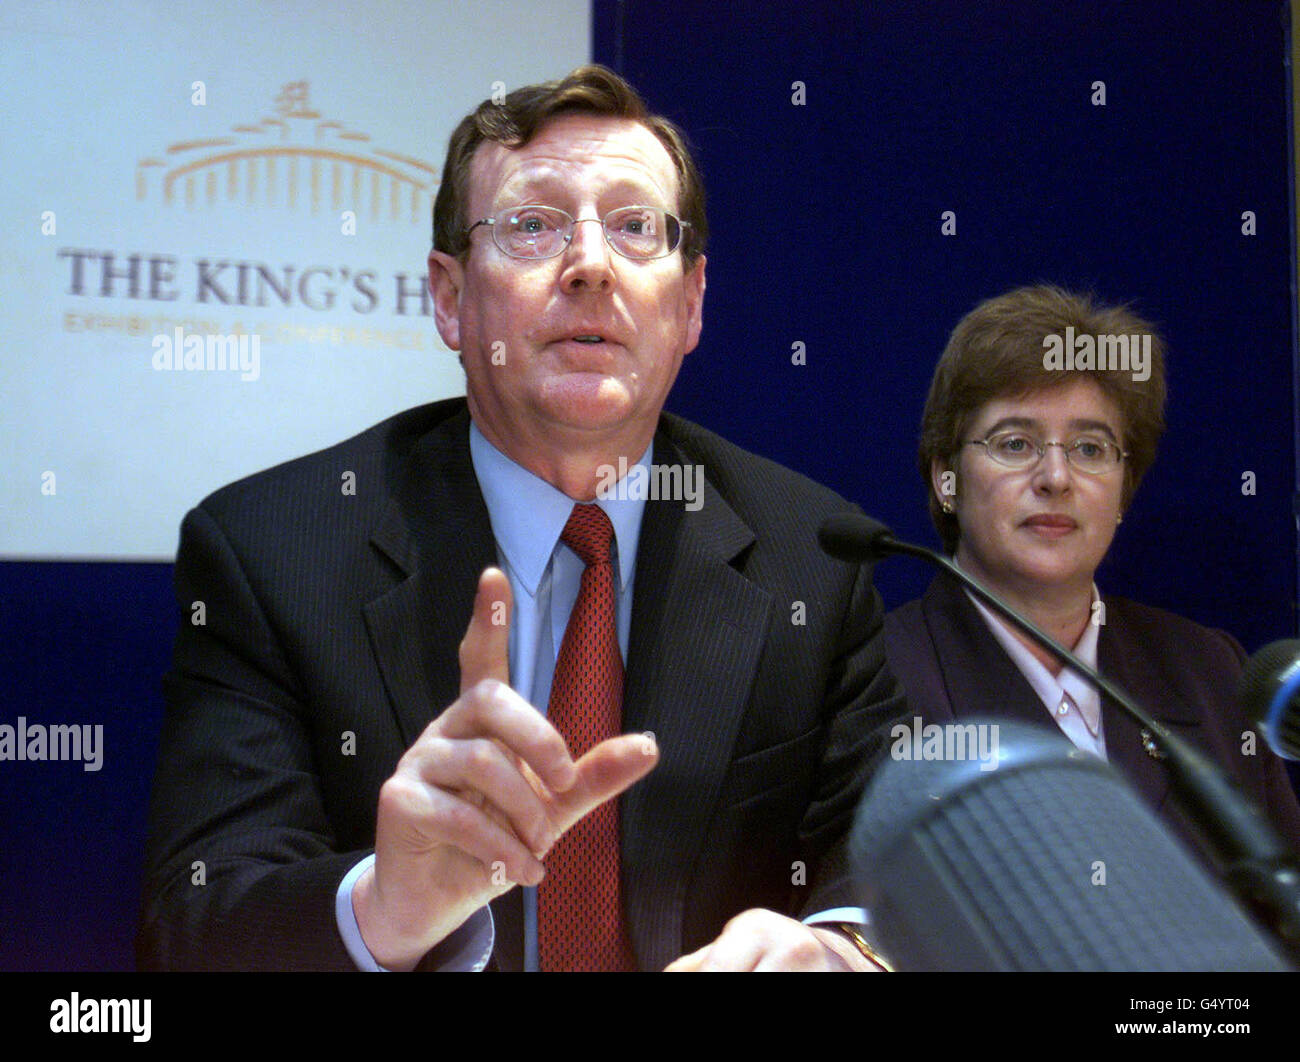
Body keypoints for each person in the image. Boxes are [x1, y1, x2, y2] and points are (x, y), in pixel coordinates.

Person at [137, 65, 906, 972]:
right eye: (533, 225)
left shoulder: (811, 556)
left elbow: (889, 864)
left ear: (691, 303)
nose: (591, 264)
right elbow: (194, 926)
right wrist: (386, 907)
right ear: (450, 298)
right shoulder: (273, 554)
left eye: (635, 227)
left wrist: (837, 953)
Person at [884, 284, 1300, 863]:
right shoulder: (880, 683)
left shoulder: (1208, 669)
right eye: (1015, 443)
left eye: (1089, 449)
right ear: (945, 479)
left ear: (1124, 490)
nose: (1056, 478)